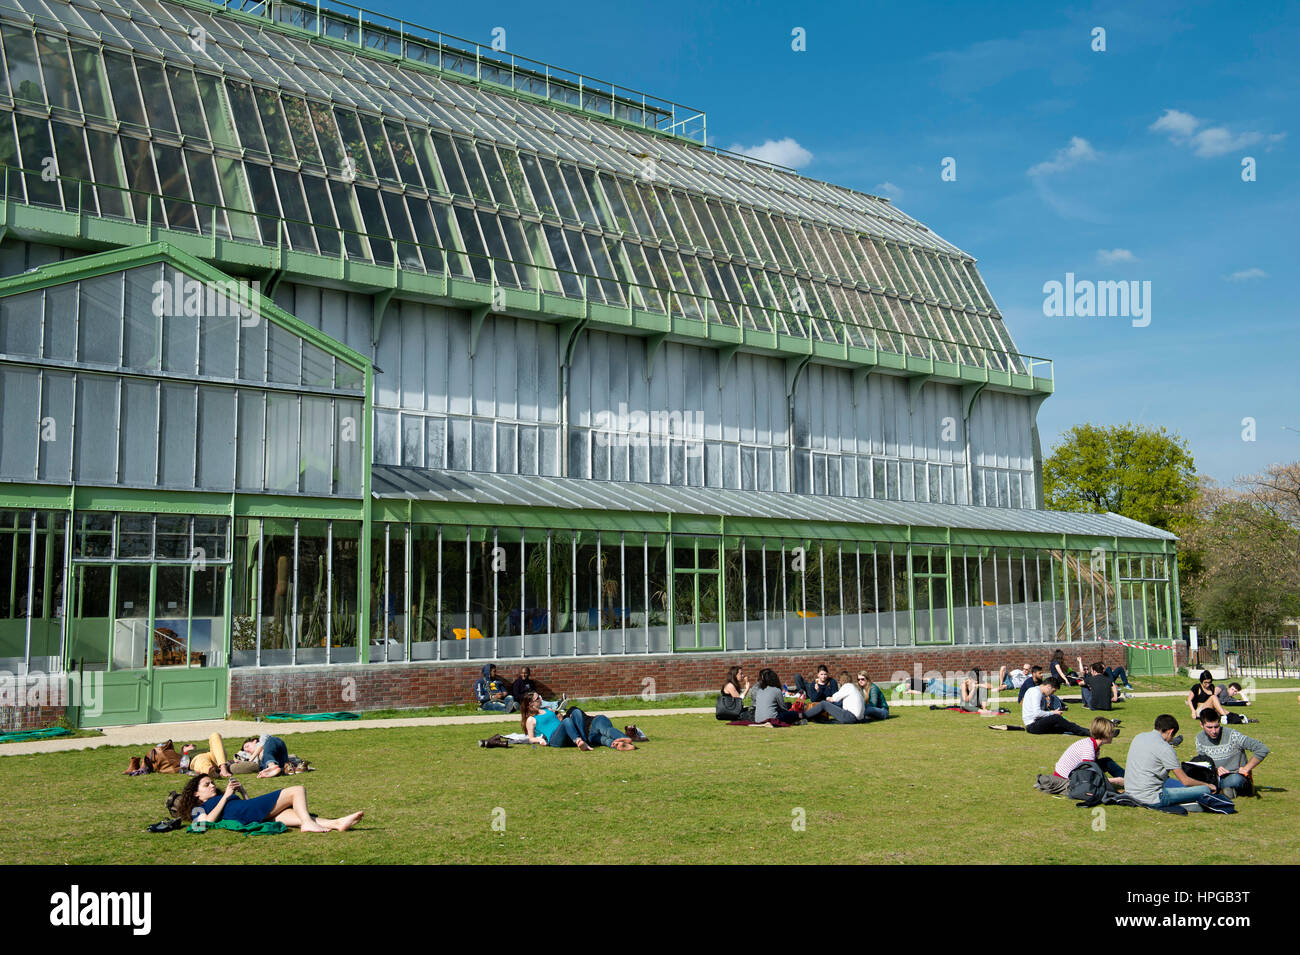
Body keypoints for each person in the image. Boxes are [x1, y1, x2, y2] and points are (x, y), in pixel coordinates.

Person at [176, 774, 362, 832]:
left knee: (294, 813)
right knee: (297, 790)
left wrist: (242, 792)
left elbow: (245, 807)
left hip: (248, 812)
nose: (212, 786)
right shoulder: (199, 807)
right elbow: (206, 822)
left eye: (212, 782)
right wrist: (226, 797)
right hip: (246, 813)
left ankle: (337, 823)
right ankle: (307, 824)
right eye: (206, 784)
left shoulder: (220, 797)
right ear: (196, 793)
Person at [1124, 715, 1217, 808]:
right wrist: (1207, 785)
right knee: (1204, 790)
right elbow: (1185, 781)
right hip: (1151, 798)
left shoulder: (1139, 737)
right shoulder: (1165, 748)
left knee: (1175, 784)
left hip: (1130, 791)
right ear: (1171, 731)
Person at [1037, 717, 1125, 795]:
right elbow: (1088, 776)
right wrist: (1114, 781)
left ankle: (1129, 779)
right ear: (1105, 733)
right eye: (1111, 732)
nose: (1113, 735)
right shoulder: (1088, 748)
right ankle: (1128, 781)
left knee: (1107, 761)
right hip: (1067, 779)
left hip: (1076, 772)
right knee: (1104, 766)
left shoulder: (1092, 744)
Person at [520, 692, 636, 750]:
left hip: (566, 733)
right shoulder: (531, 719)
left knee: (573, 714)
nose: (541, 698)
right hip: (555, 740)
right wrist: (539, 739)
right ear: (530, 704)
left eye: (539, 696)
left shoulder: (547, 709)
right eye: (537, 698)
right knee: (567, 722)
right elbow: (530, 738)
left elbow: (561, 719)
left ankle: (618, 744)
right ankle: (581, 741)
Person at [1194, 712, 1269, 798]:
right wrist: (1215, 770)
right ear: (1201, 725)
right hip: (1214, 777)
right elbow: (1203, 762)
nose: (1213, 731)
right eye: (1209, 727)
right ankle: (1225, 790)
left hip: (1235, 775)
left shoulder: (1232, 735)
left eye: (1216, 727)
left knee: (1235, 780)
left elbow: (1262, 749)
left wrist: (1246, 768)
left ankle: (1220, 790)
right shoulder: (1199, 738)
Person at [1022, 678, 1090, 736]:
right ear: (1048, 686)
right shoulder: (1036, 693)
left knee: (1063, 724)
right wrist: (1053, 713)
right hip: (1032, 725)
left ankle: (1085, 731)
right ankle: (1086, 732)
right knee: (1056, 718)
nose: (1053, 693)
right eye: (1053, 690)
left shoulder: (1035, 691)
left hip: (1035, 723)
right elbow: (1037, 713)